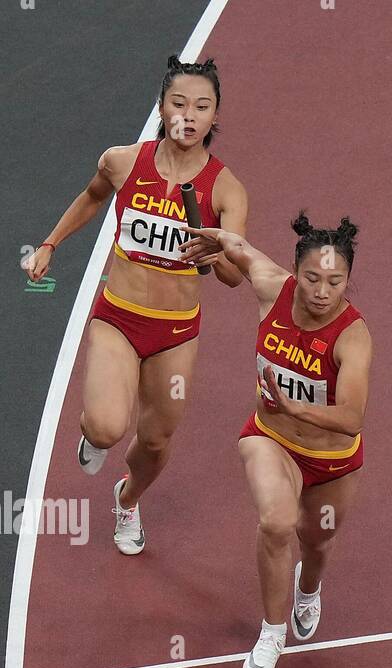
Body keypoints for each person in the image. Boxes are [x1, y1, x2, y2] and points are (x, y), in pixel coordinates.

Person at [25, 55, 248, 554]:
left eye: (202, 106)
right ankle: (95, 436)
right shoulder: (123, 161)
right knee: (105, 428)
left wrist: (214, 254)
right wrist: (49, 244)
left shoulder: (227, 190)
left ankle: (127, 499)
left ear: (215, 116)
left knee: (153, 443)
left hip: (175, 334)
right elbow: (91, 196)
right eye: (179, 103)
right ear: (162, 108)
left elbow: (234, 277)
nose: (189, 115)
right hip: (118, 318)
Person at [179, 213, 372, 668]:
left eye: (334, 281)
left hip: (332, 459)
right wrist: (216, 239)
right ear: (294, 272)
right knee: (276, 522)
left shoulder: (354, 337)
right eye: (311, 278)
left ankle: (309, 589)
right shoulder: (272, 287)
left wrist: (295, 407)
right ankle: (272, 630)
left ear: (348, 280)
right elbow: (240, 248)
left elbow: (350, 419)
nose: (322, 291)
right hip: (270, 438)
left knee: (318, 540)